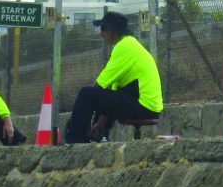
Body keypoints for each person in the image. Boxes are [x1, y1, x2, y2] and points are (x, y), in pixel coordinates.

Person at [65, 11, 163, 143]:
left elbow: (99, 84)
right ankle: (98, 137)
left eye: (103, 29)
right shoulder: (130, 44)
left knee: (86, 94)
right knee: (104, 96)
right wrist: (101, 123)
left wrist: (78, 115)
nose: (101, 33)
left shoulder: (124, 47)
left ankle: (76, 142)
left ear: (112, 31)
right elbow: (113, 94)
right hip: (147, 106)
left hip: (143, 106)